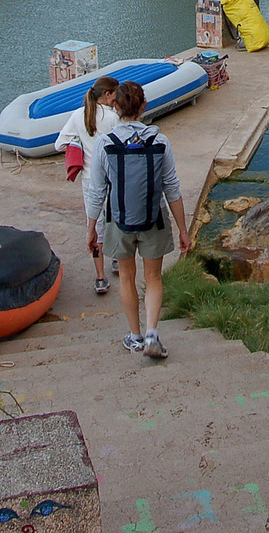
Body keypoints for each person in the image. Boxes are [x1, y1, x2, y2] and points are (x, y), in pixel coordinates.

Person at [82, 81, 192, 358]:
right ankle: (153, 333)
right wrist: (183, 230)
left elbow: (97, 192)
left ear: (115, 106)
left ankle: (134, 336)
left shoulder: (105, 144)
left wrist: (92, 228)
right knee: (153, 277)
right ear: (144, 106)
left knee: (127, 278)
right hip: (153, 220)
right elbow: (172, 189)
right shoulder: (160, 141)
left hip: (118, 222)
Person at [56, 75, 119, 294]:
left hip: (89, 179)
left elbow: (59, 143)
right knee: (115, 220)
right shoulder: (112, 118)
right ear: (108, 94)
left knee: (95, 226)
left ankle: (100, 277)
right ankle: (117, 260)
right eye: (114, 95)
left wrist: (78, 146)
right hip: (111, 176)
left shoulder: (78, 115)